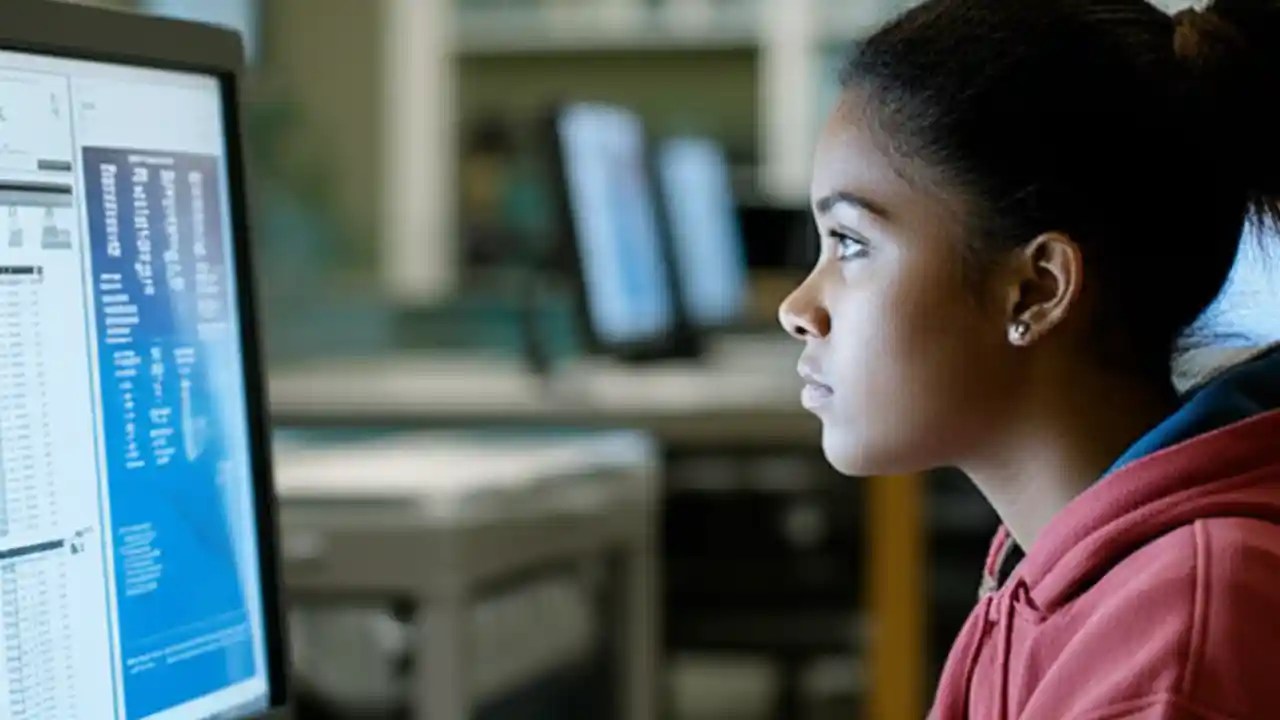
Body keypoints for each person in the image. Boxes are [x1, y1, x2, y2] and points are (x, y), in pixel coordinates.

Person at [777, 0, 1280, 717]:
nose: (797, 308)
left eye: (851, 243)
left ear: (1036, 291)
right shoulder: (1047, 565)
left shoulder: (1176, 639)